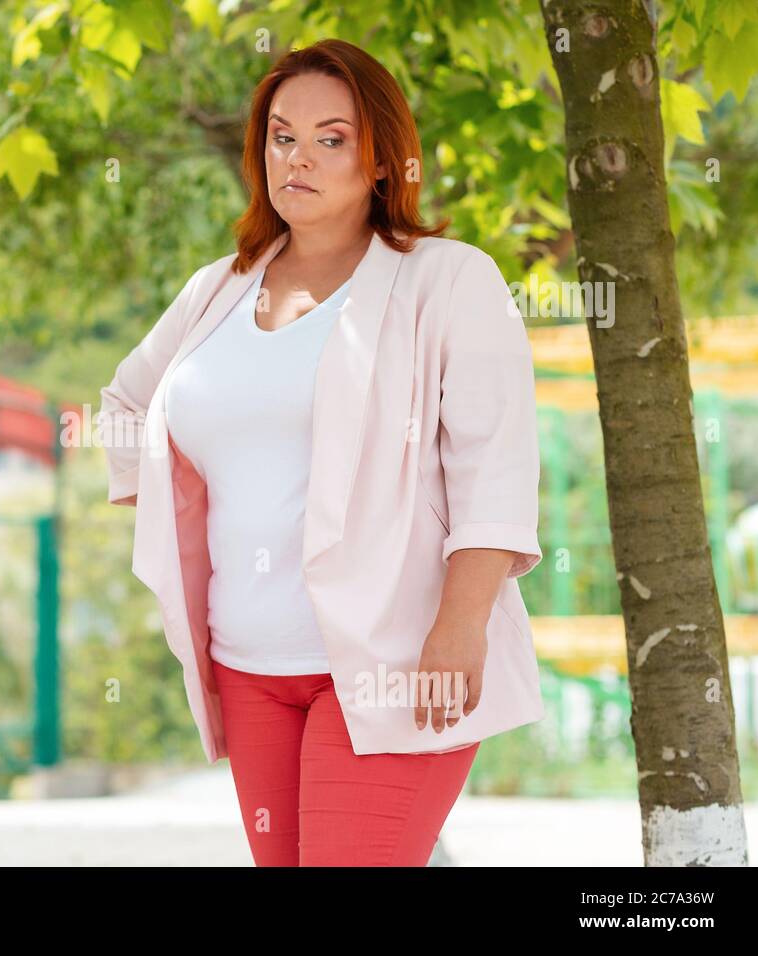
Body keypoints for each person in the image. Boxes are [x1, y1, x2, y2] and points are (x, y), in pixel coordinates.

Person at [99, 38, 543, 866]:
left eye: (331, 139)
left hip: (396, 656)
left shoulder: (448, 281)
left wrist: (460, 625)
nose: (297, 158)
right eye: (281, 134)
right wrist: (177, 513)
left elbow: (496, 468)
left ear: (381, 162)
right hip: (248, 665)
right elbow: (124, 406)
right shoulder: (217, 290)